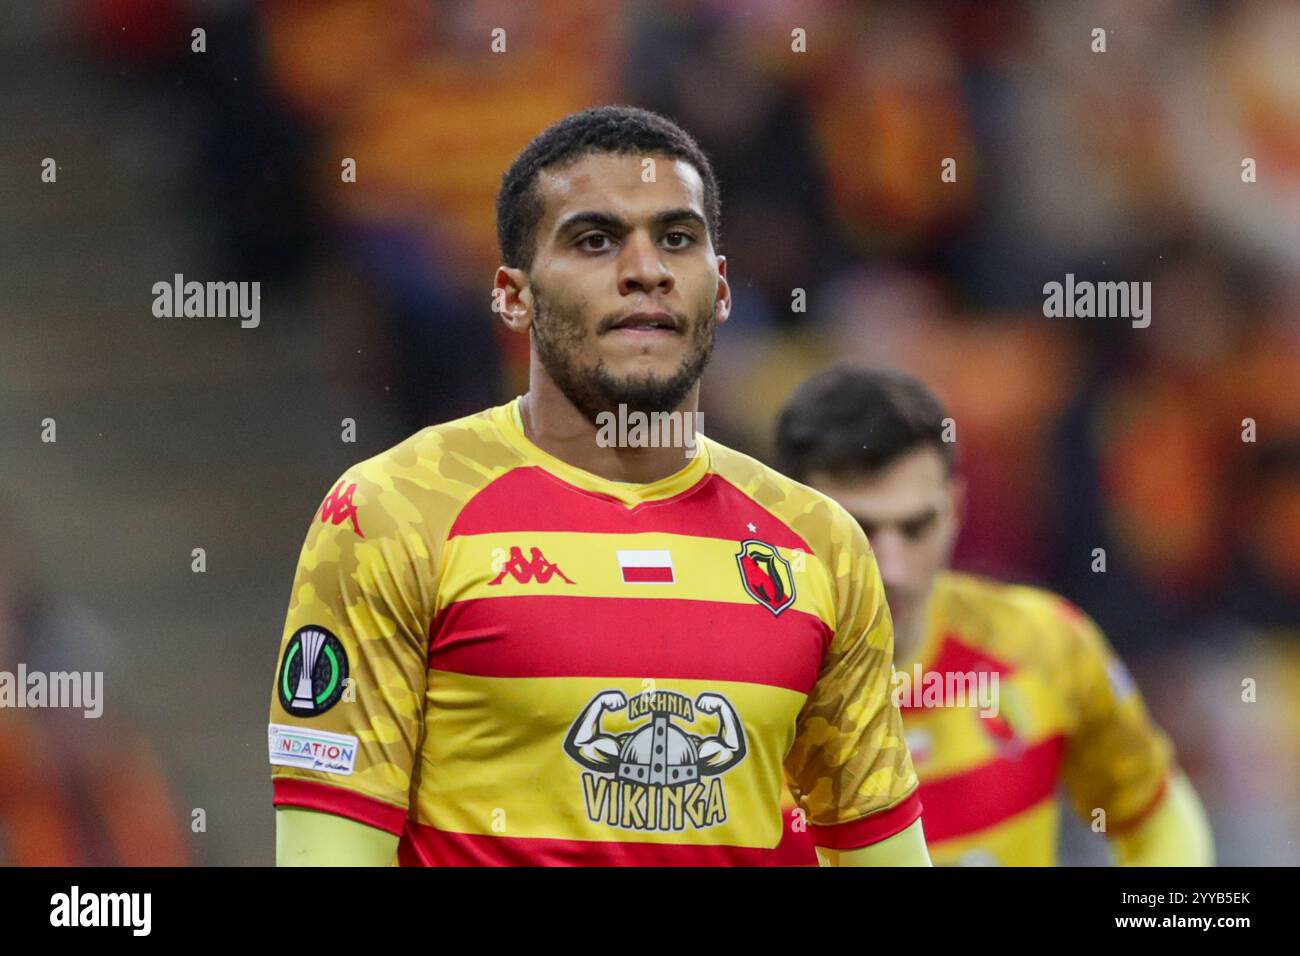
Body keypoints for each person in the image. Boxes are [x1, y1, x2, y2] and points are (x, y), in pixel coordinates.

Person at [270, 106, 928, 866]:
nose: (644, 268)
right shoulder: (392, 511)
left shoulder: (820, 543)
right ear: (514, 297)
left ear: (718, 289)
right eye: (595, 240)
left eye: (676, 239)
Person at [771, 364, 1214, 865]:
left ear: (955, 509)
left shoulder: (1042, 643)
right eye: (857, 531)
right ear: (784, 526)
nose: (890, 568)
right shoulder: (731, 691)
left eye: (916, 526)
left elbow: (1153, 811)